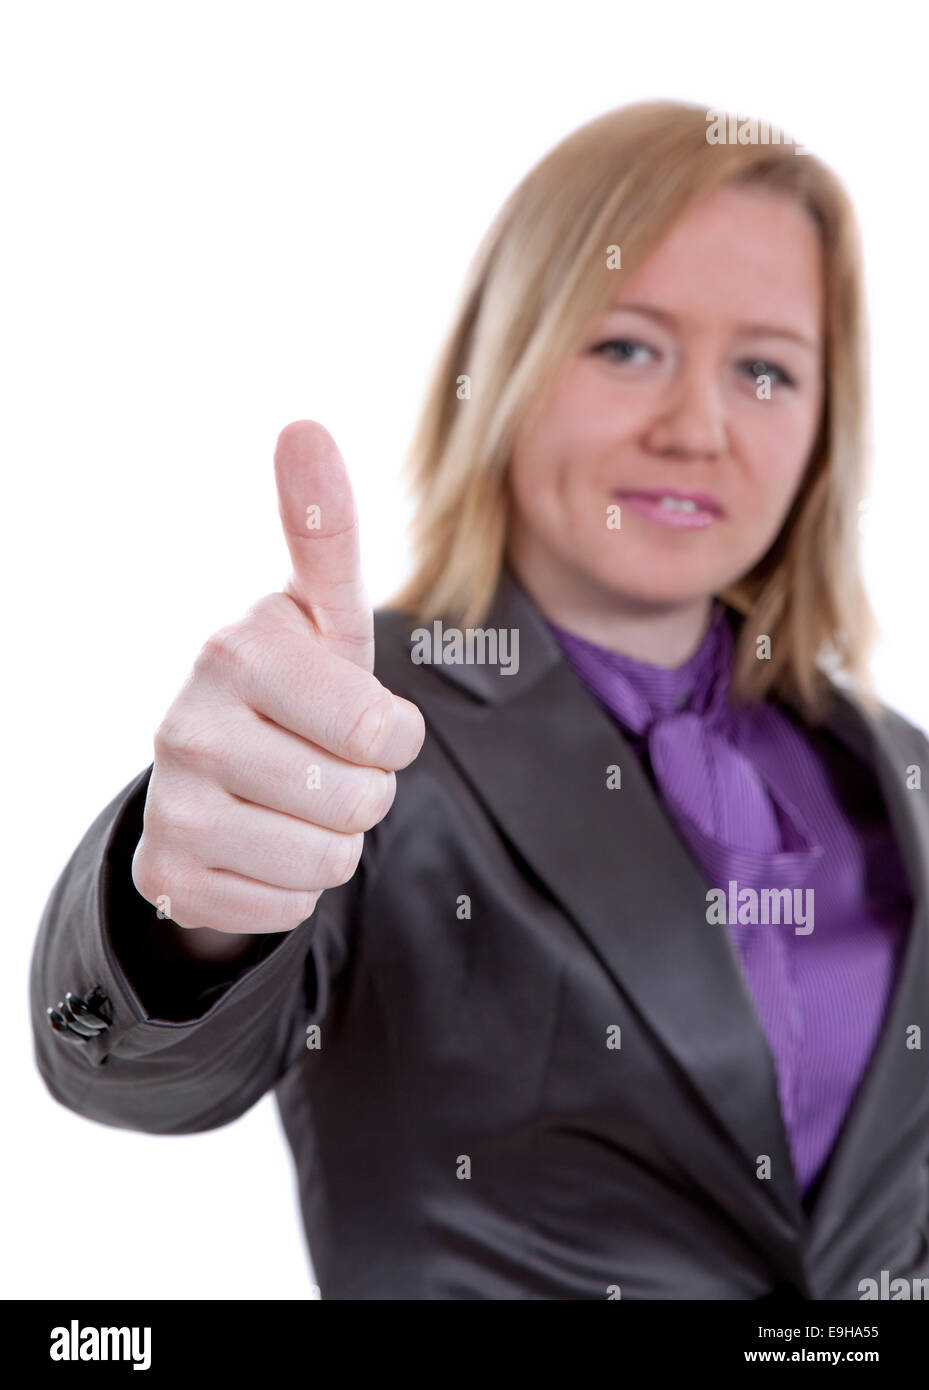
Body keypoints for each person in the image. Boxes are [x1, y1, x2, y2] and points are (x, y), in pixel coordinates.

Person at [30, 98, 929, 1301]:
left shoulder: (886, 769)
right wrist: (184, 910)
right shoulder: (354, 726)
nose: (697, 427)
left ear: (823, 432)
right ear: (508, 363)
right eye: (627, 346)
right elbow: (127, 1064)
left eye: (764, 368)